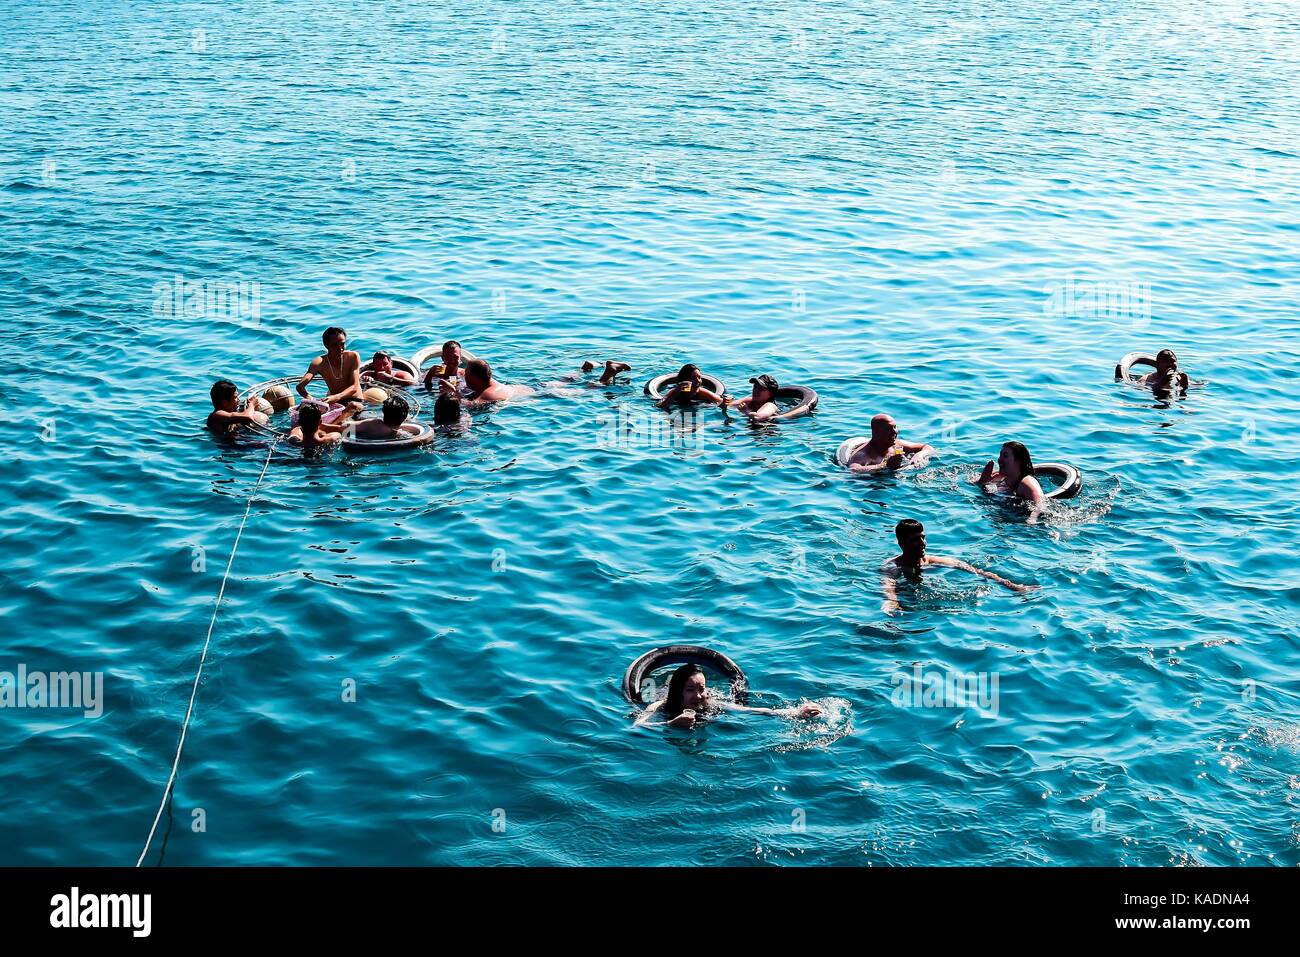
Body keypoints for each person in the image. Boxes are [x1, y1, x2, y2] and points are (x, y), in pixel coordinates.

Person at [881, 519, 1037, 614]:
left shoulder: (933, 561)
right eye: (916, 539)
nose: (923, 543)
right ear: (901, 543)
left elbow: (978, 572)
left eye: (923, 537)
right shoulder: (892, 567)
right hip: (907, 599)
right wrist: (892, 603)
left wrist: (1013, 586)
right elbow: (889, 587)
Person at [634, 663, 823, 729]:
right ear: (678, 692)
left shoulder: (711, 703)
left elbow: (752, 710)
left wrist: (796, 712)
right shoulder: (660, 707)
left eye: (702, 688)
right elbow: (636, 727)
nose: (699, 696)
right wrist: (671, 724)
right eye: (691, 690)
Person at [975, 441, 1047, 519]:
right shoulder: (998, 478)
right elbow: (969, 483)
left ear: (1019, 461)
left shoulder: (1027, 481)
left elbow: (1040, 505)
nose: (999, 459)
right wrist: (982, 481)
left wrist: (1031, 520)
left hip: (1022, 520)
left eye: (1005, 456)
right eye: (1000, 455)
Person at [296, 327, 364, 410]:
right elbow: (300, 386)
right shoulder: (319, 362)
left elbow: (354, 387)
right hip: (335, 402)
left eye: (342, 344)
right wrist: (309, 398)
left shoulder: (353, 356)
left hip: (355, 400)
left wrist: (336, 397)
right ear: (326, 345)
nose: (340, 349)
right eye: (335, 345)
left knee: (352, 406)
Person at [846, 414, 935, 470]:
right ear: (876, 432)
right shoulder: (863, 454)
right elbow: (853, 470)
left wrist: (919, 455)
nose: (895, 432)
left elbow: (928, 448)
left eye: (895, 427)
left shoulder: (897, 445)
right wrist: (885, 465)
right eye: (889, 429)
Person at [453, 358, 534, 404]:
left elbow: (469, 405)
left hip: (527, 396)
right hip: (522, 388)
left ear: (474, 378)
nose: (464, 376)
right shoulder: (484, 379)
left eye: (466, 373)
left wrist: (454, 392)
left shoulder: (489, 393)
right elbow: (461, 371)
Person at [655, 364, 727, 410]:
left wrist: (723, 403)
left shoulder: (701, 392)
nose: (698, 381)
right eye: (693, 378)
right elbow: (659, 406)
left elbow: (720, 401)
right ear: (685, 381)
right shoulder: (674, 392)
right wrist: (676, 391)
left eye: (699, 377)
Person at [346, 395, 412, 440]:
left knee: (358, 407)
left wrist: (346, 411)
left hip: (358, 439)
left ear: (383, 411)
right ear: (405, 417)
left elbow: (345, 426)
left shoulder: (374, 424)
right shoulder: (401, 434)